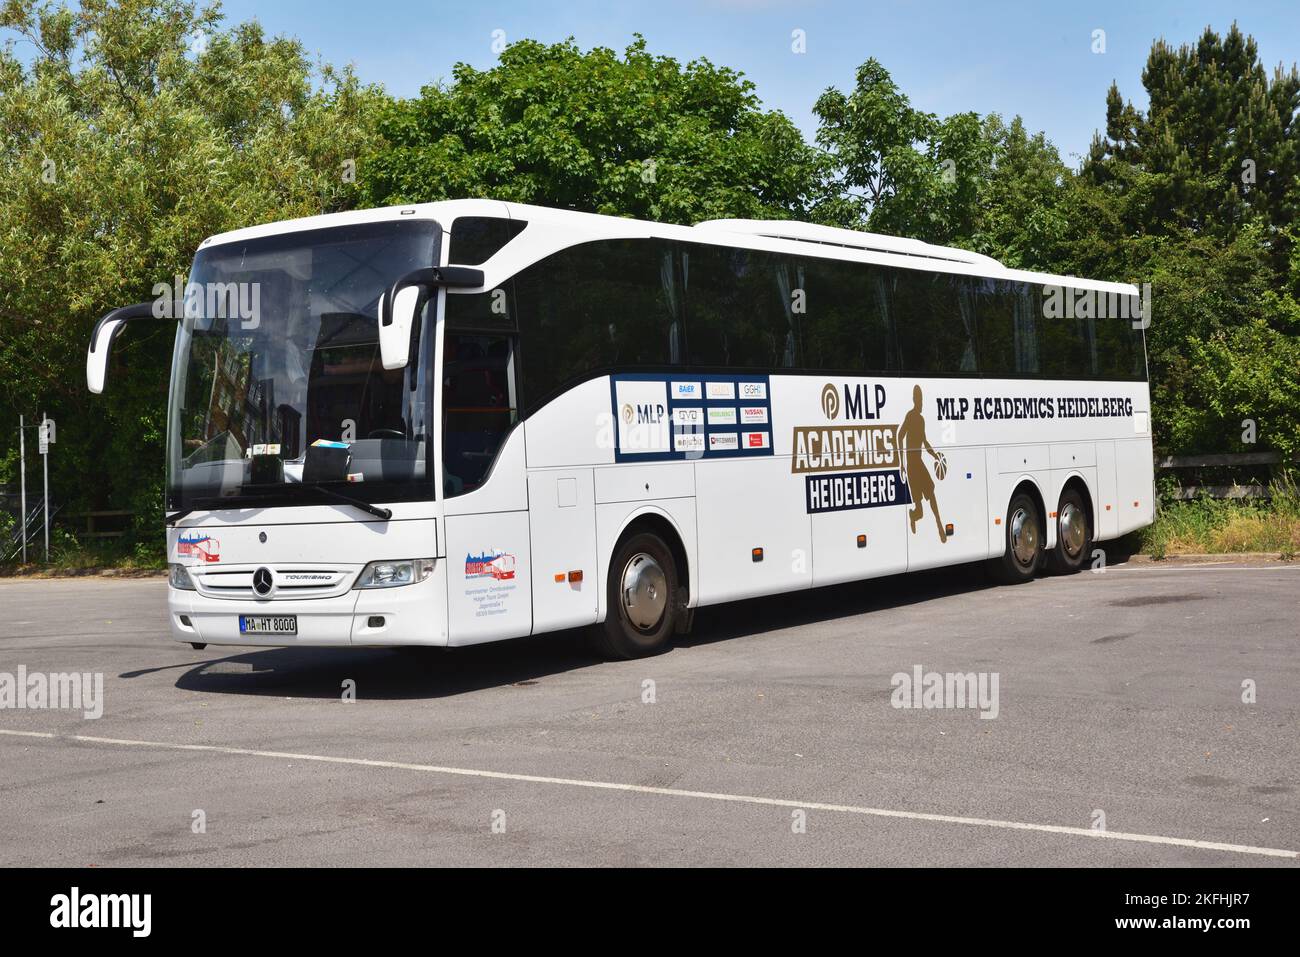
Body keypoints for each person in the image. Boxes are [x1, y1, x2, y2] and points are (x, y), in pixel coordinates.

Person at [897, 384, 947, 543]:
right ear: (914, 400)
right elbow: (899, 435)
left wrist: (934, 455)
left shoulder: (921, 419)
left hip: (919, 463)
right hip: (911, 466)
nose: (921, 402)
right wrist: (901, 463)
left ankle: (940, 526)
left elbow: (924, 442)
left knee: (932, 494)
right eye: (919, 399)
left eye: (922, 399)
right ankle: (913, 515)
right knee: (920, 512)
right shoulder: (910, 416)